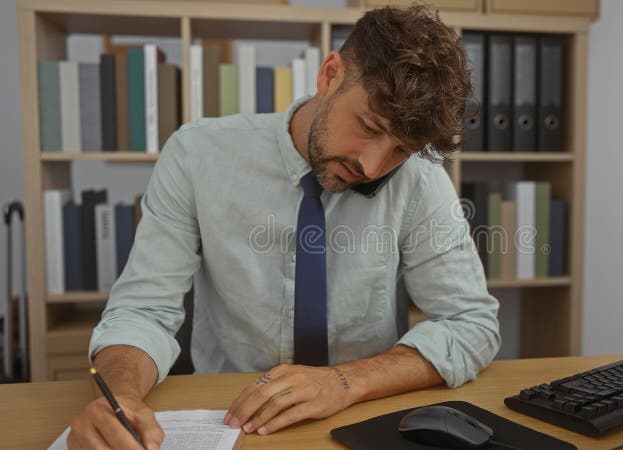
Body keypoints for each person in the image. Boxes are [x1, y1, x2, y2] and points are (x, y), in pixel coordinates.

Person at [67, 4, 500, 449]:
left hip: (361, 418)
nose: (372, 166)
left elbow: (471, 323)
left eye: (400, 150)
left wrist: (344, 383)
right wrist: (117, 399)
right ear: (330, 74)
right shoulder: (197, 155)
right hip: (229, 418)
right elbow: (142, 311)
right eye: (370, 127)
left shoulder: (421, 181)